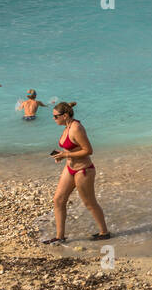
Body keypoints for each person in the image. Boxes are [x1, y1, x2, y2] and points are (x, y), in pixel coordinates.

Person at [43, 101, 110, 243]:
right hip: (70, 168)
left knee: (89, 203)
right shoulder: (67, 126)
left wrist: (65, 155)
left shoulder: (76, 128)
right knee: (58, 200)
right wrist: (61, 156)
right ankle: (59, 237)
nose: (53, 119)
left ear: (65, 115)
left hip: (83, 170)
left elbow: (88, 150)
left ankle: (104, 232)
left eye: (55, 116)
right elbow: (71, 148)